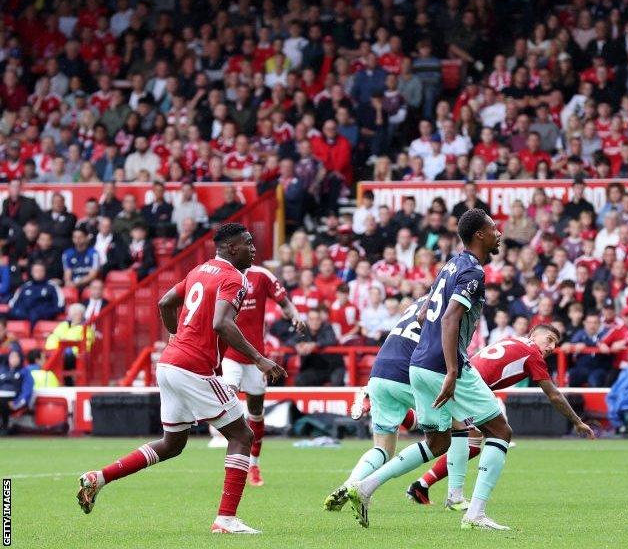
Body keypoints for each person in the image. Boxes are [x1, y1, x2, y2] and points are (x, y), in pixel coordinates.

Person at [76, 223, 287, 534]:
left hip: (170, 364)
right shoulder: (235, 278)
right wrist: (259, 358)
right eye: (248, 243)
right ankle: (226, 519)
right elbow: (221, 323)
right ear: (231, 248)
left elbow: (164, 303)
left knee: (173, 444)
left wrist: (176, 337)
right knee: (242, 436)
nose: (254, 249)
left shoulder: (200, 270)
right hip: (194, 369)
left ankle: (100, 477)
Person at [341, 209, 512, 530]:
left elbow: (423, 317)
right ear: (479, 235)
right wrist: (451, 369)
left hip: (418, 364)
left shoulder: (449, 266)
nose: (498, 233)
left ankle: (364, 488)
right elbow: (448, 318)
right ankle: (475, 514)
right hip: (442, 364)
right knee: (500, 431)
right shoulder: (473, 273)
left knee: (439, 442)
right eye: (493, 228)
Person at [407, 326, 595, 506]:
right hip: (470, 390)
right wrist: (577, 422)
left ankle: (425, 486)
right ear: (533, 336)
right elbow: (553, 394)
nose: (552, 347)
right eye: (549, 340)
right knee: (486, 437)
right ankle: (456, 499)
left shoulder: (513, 340)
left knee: (459, 442)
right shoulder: (532, 354)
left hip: (461, 382)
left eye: (555, 344)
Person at [323, 298, 426, 513]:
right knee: (451, 432)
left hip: (379, 371)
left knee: (383, 449)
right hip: (408, 371)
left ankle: (350, 483)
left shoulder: (417, 303)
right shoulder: (446, 303)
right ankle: (456, 497)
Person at [216, 264, 304, 486]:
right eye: (247, 245)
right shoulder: (221, 275)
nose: (252, 249)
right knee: (229, 397)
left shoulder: (262, 276)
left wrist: (295, 316)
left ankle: (253, 465)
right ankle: (234, 462)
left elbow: (285, 302)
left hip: (256, 357)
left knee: (256, 411)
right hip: (229, 354)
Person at [8, 262, 65, 326]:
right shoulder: (25, 286)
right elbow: (12, 305)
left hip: (44, 320)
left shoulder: (52, 286)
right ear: (31, 272)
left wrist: (42, 313)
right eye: (36, 271)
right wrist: (26, 314)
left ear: (44, 272)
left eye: (40, 271)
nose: (38, 273)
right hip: (24, 319)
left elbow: (60, 306)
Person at [0, 350, 33, 434]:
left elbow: (27, 391)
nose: (13, 359)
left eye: (16, 357)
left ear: (20, 358)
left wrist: (16, 403)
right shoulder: (2, 371)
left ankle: (5, 426)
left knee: (3, 402)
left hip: (13, 400)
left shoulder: (25, 372)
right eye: (11, 357)